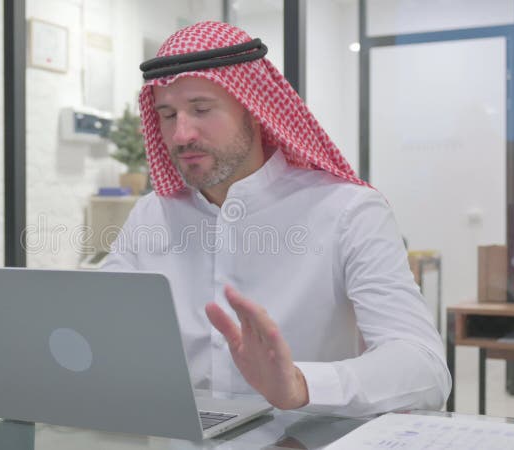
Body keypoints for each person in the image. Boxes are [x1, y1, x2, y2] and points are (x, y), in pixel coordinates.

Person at [102, 21, 450, 416]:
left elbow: (424, 369)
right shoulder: (152, 215)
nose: (181, 134)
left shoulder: (348, 211)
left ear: (254, 110)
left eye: (201, 109)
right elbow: (96, 323)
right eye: (167, 115)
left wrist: (302, 385)